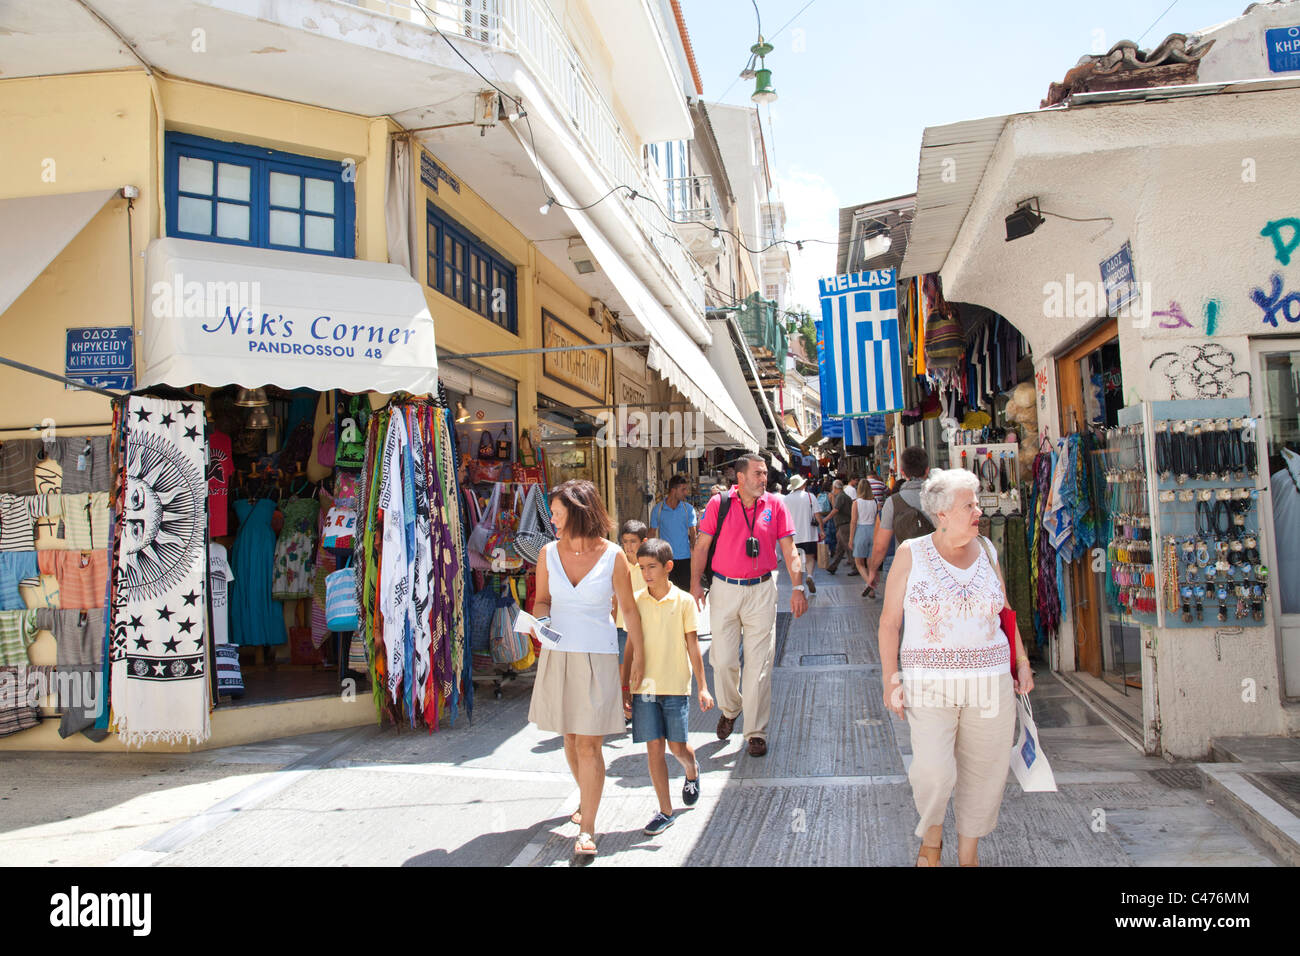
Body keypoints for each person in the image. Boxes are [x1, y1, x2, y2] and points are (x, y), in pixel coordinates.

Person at [877, 468, 1034, 867]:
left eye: (976, 503)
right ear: (943, 513)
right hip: (928, 683)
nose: (978, 510)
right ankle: (932, 837)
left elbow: (1005, 612)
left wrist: (1022, 661)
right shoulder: (913, 553)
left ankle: (969, 857)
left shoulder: (987, 549)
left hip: (991, 682)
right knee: (933, 772)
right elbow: (890, 622)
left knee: (985, 774)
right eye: (970, 504)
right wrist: (889, 679)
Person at [526, 479, 644, 859]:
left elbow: (629, 612)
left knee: (591, 744)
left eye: (558, 514)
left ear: (577, 512)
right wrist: (539, 622)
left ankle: (588, 827)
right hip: (559, 655)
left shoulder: (613, 557)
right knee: (572, 740)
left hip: (599, 657)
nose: (553, 521)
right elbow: (542, 600)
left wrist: (639, 660)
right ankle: (586, 798)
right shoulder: (546, 554)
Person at [690, 454, 808, 757]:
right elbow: (701, 546)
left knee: (759, 665)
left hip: (762, 590)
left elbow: (790, 549)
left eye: (765, 473)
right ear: (739, 478)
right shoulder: (720, 504)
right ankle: (731, 709)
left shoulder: (776, 504)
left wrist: (798, 586)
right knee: (723, 659)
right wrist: (694, 585)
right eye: (757, 473)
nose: (763, 478)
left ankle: (756, 732)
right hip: (725, 588)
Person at [629, 537, 714, 835]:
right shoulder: (637, 601)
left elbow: (693, 645)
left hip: (676, 685)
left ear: (668, 567)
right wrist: (622, 684)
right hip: (646, 687)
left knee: (678, 746)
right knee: (654, 748)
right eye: (641, 568)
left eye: (652, 567)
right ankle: (665, 811)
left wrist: (703, 686)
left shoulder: (684, 602)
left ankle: (691, 769)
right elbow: (630, 644)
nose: (647, 573)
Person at [865, 446, 933, 594]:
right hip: (939, 570)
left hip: (907, 571)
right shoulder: (942, 497)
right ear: (927, 470)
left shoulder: (893, 502)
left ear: (902, 472)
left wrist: (873, 569)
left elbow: (880, 545)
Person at [615, 519, 649, 721]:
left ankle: (643, 706)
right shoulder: (620, 564)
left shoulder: (649, 565)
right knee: (623, 668)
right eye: (624, 541)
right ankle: (627, 708)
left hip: (644, 627)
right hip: (621, 626)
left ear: (643, 542)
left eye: (632, 541)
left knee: (642, 666)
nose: (628, 546)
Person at [650, 474, 698, 592]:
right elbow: (651, 534)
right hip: (665, 559)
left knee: (685, 593)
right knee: (666, 592)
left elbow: (693, 534)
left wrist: (695, 554)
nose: (686, 492)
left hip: (685, 559)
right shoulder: (658, 509)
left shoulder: (688, 509)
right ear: (673, 490)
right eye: (683, 489)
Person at [782, 473, 820, 595]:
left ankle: (798, 584)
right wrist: (822, 530)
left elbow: (783, 518)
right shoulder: (810, 496)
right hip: (809, 533)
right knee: (809, 558)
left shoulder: (786, 499)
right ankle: (809, 575)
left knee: (796, 559)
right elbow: (817, 514)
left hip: (793, 535)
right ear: (803, 485)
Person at [850, 486, 879, 597]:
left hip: (861, 530)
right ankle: (870, 588)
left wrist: (851, 538)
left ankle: (869, 584)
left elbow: (853, 521)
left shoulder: (856, 502)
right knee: (871, 563)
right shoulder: (875, 501)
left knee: (859, 563)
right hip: (873, 531)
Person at [825, 480, 855, 575]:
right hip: (842, 525)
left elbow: (835, 510)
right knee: (840, 548)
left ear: (835, 488)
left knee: (848, 546)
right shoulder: (841, 496)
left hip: (844, 525)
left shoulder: (841, 496)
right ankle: (833, 566)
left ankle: (855, 566)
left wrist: (825, 519)